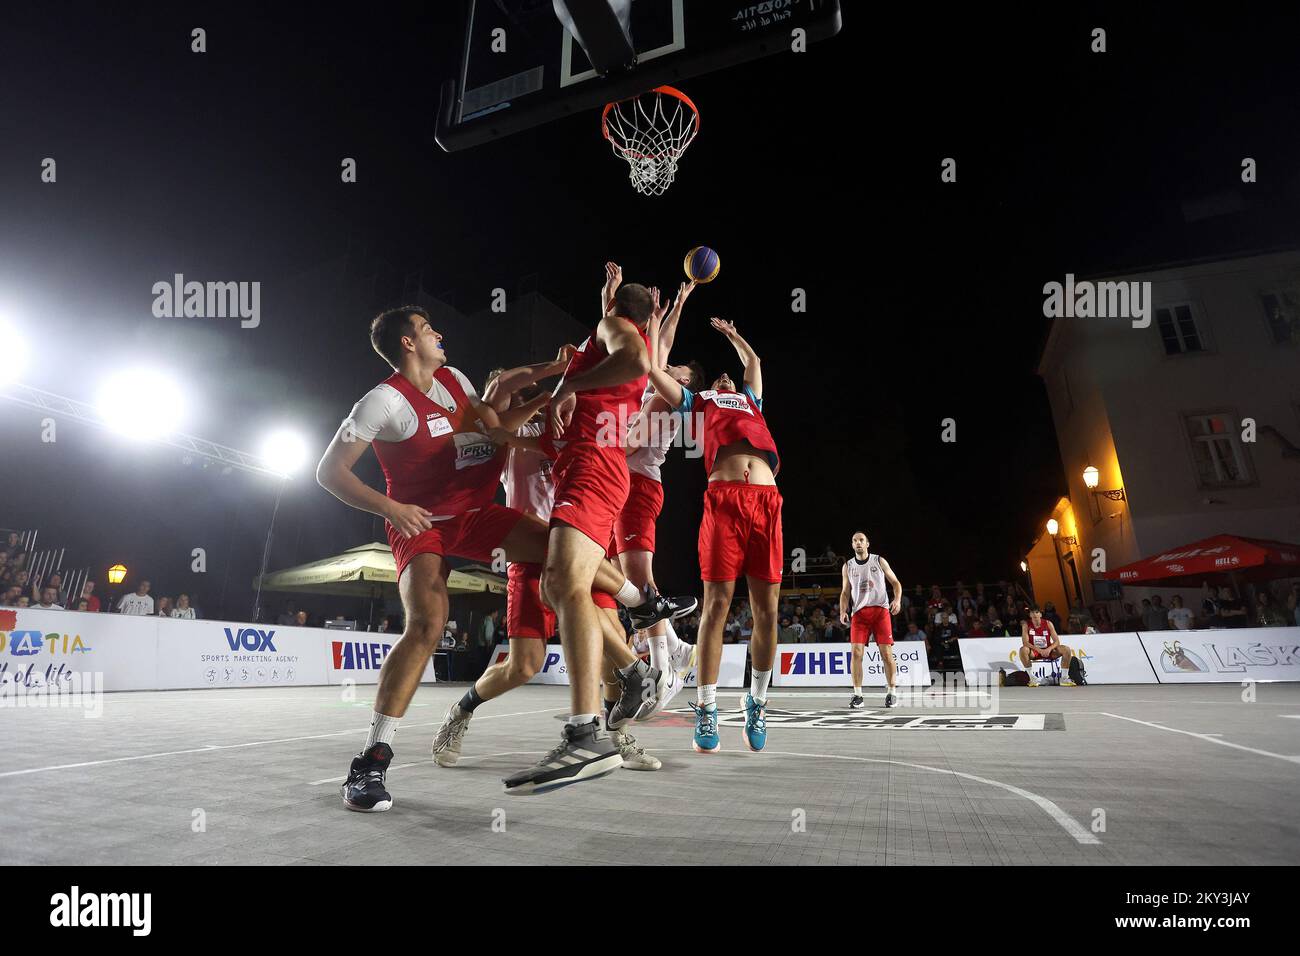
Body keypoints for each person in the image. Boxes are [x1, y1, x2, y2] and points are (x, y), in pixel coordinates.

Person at [318, 305, 688, 809]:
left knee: (563, 558)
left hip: (474, 512)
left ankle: (637, 610)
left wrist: (555, 391)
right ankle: (370, 763)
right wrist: (392, 508)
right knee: (428, 623)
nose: (439, 332)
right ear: (407, 343)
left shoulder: (454, 379)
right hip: (422, 522)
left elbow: (493, 429)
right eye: (428, 329)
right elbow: (330, 473)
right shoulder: (381, 402)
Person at [646, 310, 781, 754]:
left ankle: (756, 703)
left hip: (766, 503)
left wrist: (735, 334)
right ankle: (706, 708)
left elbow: (755, 363)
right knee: (716, 606)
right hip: (723, 501)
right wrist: (654, 337)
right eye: (719, 377)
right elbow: (655, 373)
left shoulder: (750, 400)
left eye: (729, 376)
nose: (726, 377)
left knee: (767, 611)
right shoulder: (700, 402)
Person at [618, 279, 704, 711]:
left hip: (638, 485)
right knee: (625, 581)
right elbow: (663, 345)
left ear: (686, 387)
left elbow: (630, 445)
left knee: (637, 581)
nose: (671, 371)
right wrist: (672, 308)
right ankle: (674, 643)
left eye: (681, 376)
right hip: (628, 486)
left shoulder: (668, 402)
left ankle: (660, 669)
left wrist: (594, 447)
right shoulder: (656, 386)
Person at [839, 531, 903, 709]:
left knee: (886, 654)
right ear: (852, 545)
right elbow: (845, 592)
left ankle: (892, 692)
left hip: (880, 612)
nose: (858, 543)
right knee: (856, 653)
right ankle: (858, 695)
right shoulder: (848, 566)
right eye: (854, 541)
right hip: (859, 614)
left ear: (867, 544)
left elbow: (896, 583)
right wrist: (843, 610)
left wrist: (896, 600)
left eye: (861, 540)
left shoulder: (878, 561)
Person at [1019, 606, 1076, 686]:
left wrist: (1048, 649)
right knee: (1023, 649)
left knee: (1066, 649)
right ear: (1030, 615)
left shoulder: (1048, 623)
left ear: (1041, 614)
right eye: (1032, 612)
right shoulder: (1026, 625)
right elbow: (1025, 642)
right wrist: (1040, 650)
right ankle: (1032, 679)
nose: (1035, 614)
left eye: (1037, 612)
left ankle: (1064, 678)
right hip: (1034, 652)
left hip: (1048, 651)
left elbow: (1056, 641)